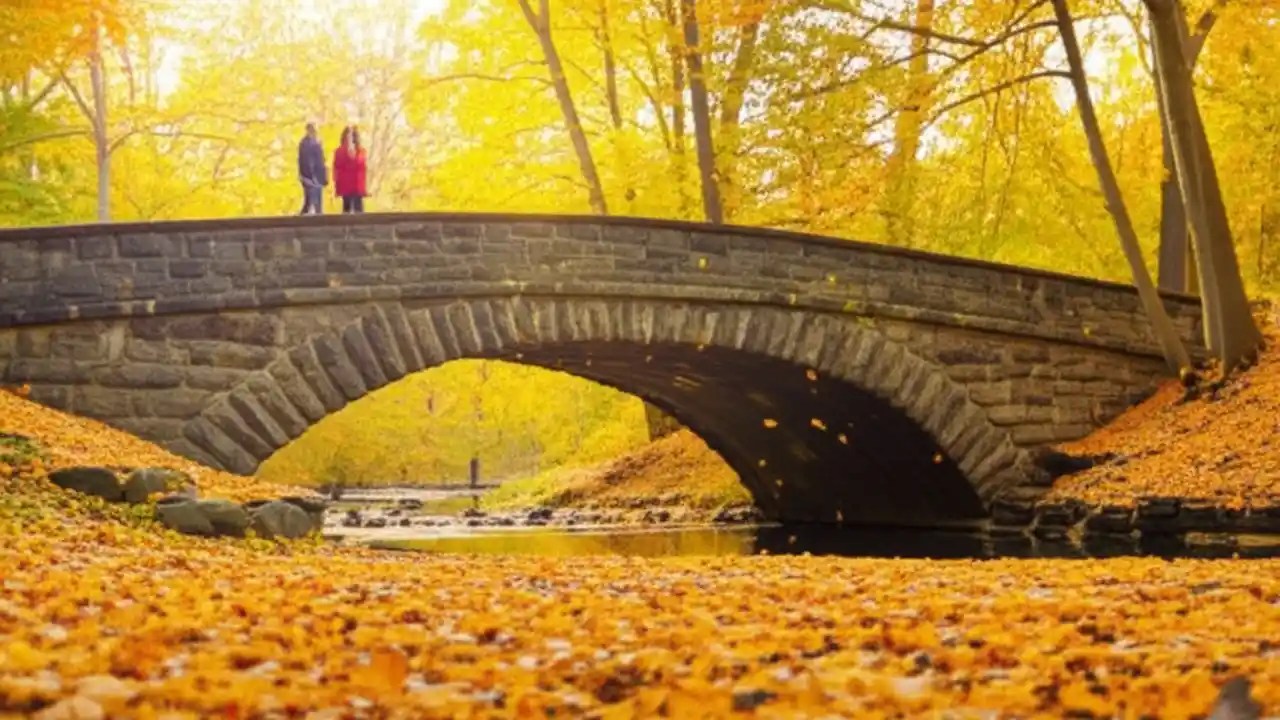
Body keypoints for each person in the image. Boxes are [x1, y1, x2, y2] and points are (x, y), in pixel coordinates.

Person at [333, 125, 368, 214]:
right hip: (347, 184)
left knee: (357, 209)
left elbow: (361, 165)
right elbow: (338, 166)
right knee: (348, 208)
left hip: (356, 185)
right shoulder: (340, 151)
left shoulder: (361, 151)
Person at [297, 123, 328, 214]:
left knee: (313, 201)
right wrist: (310, 177)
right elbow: (307, 162)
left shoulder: (315, 143)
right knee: (312, 200)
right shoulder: (306, 144)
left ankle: (318, 217)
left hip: (317, 177)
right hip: (310, 177)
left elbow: (321, 161)